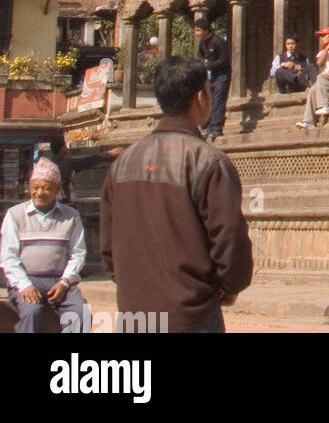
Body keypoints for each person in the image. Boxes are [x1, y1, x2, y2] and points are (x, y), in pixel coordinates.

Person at [100, 56, 253, 334]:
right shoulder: (207, 161)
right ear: (200, 97)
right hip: (191, 314)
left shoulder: (123, 163)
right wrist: (231, 285)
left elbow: (108, 245)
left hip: (135, 314)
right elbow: (229, 235)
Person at [1, 159, 88, 333]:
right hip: (27, 279)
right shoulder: (15, 215)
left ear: (57, 189)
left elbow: (78, 253)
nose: (40, 193)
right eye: (35, 187)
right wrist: (24, 285)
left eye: (46, 188)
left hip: (59, 280)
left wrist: (64, 283)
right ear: (30, 187)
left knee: (80, 312)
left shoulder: (71, 216)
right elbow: (8, 257)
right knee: (32, 312)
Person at [296, 27, 329, 130]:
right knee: (312, 90)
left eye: (324, 36)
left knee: (322, 77)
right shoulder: (323, 50)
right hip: (325, 79)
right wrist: (327, 48)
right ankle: (309, 121)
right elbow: (319, 63)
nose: (321, 38)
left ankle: (326, 105)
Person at [193, 15, 230, 140]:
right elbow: (200, 56)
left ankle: (217, 127)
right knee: (211, 100)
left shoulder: (218, 41)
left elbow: (224, 60)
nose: (196, 33)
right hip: (211, 76)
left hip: (222, 74)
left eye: (198, 30)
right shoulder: (203, 43)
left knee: (219, 100)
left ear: (206, 30)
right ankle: (209, 125)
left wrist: (209, 64)